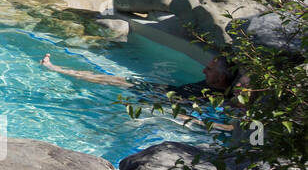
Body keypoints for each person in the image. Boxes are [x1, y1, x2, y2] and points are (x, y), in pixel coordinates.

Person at [39, 53, 236, 130]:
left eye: (209, 70)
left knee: (121, 110)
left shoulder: (218, 98)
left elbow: (214, 122)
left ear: (221, 78)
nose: (203, 71)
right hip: (165, 91)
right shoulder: (214, 82)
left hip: (164, 102)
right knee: (117, 80)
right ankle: (58, 69)